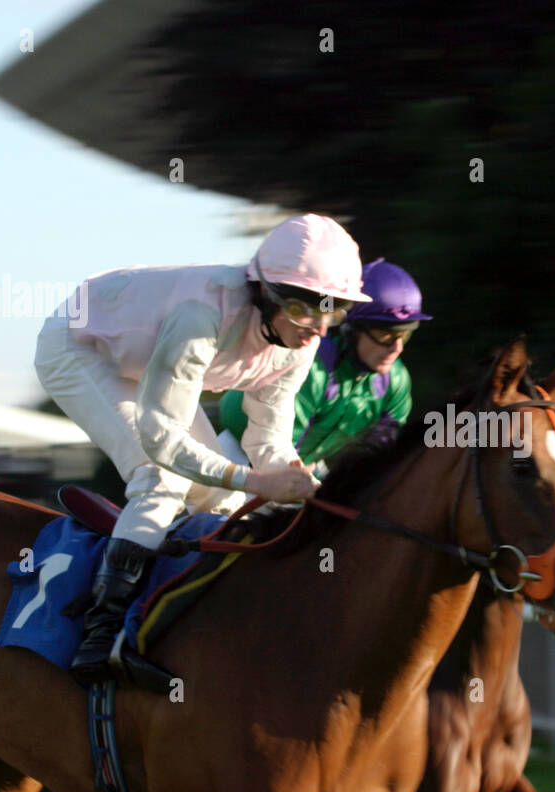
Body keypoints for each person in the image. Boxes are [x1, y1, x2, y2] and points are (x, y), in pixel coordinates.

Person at [33, 213, 373, 682]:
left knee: (226, 500)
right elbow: (161, 439)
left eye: (333, 311)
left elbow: (267, 437)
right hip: (79, 347)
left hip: (147, 362)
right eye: (303, 310)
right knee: (161, 479)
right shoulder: (202, 316)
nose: (317, 328)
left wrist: (303, 484)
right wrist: (255, 479)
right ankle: (102, 638)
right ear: (265, 292)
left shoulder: (303, 341)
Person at [216, 258, 430, 476]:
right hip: (240, 456)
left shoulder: (396, 380)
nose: (397, 348)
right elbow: (276, 452)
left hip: (306, 462)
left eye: (405, 335)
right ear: (351, 329)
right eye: (385, 335)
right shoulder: (313, 369)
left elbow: (381, 456)